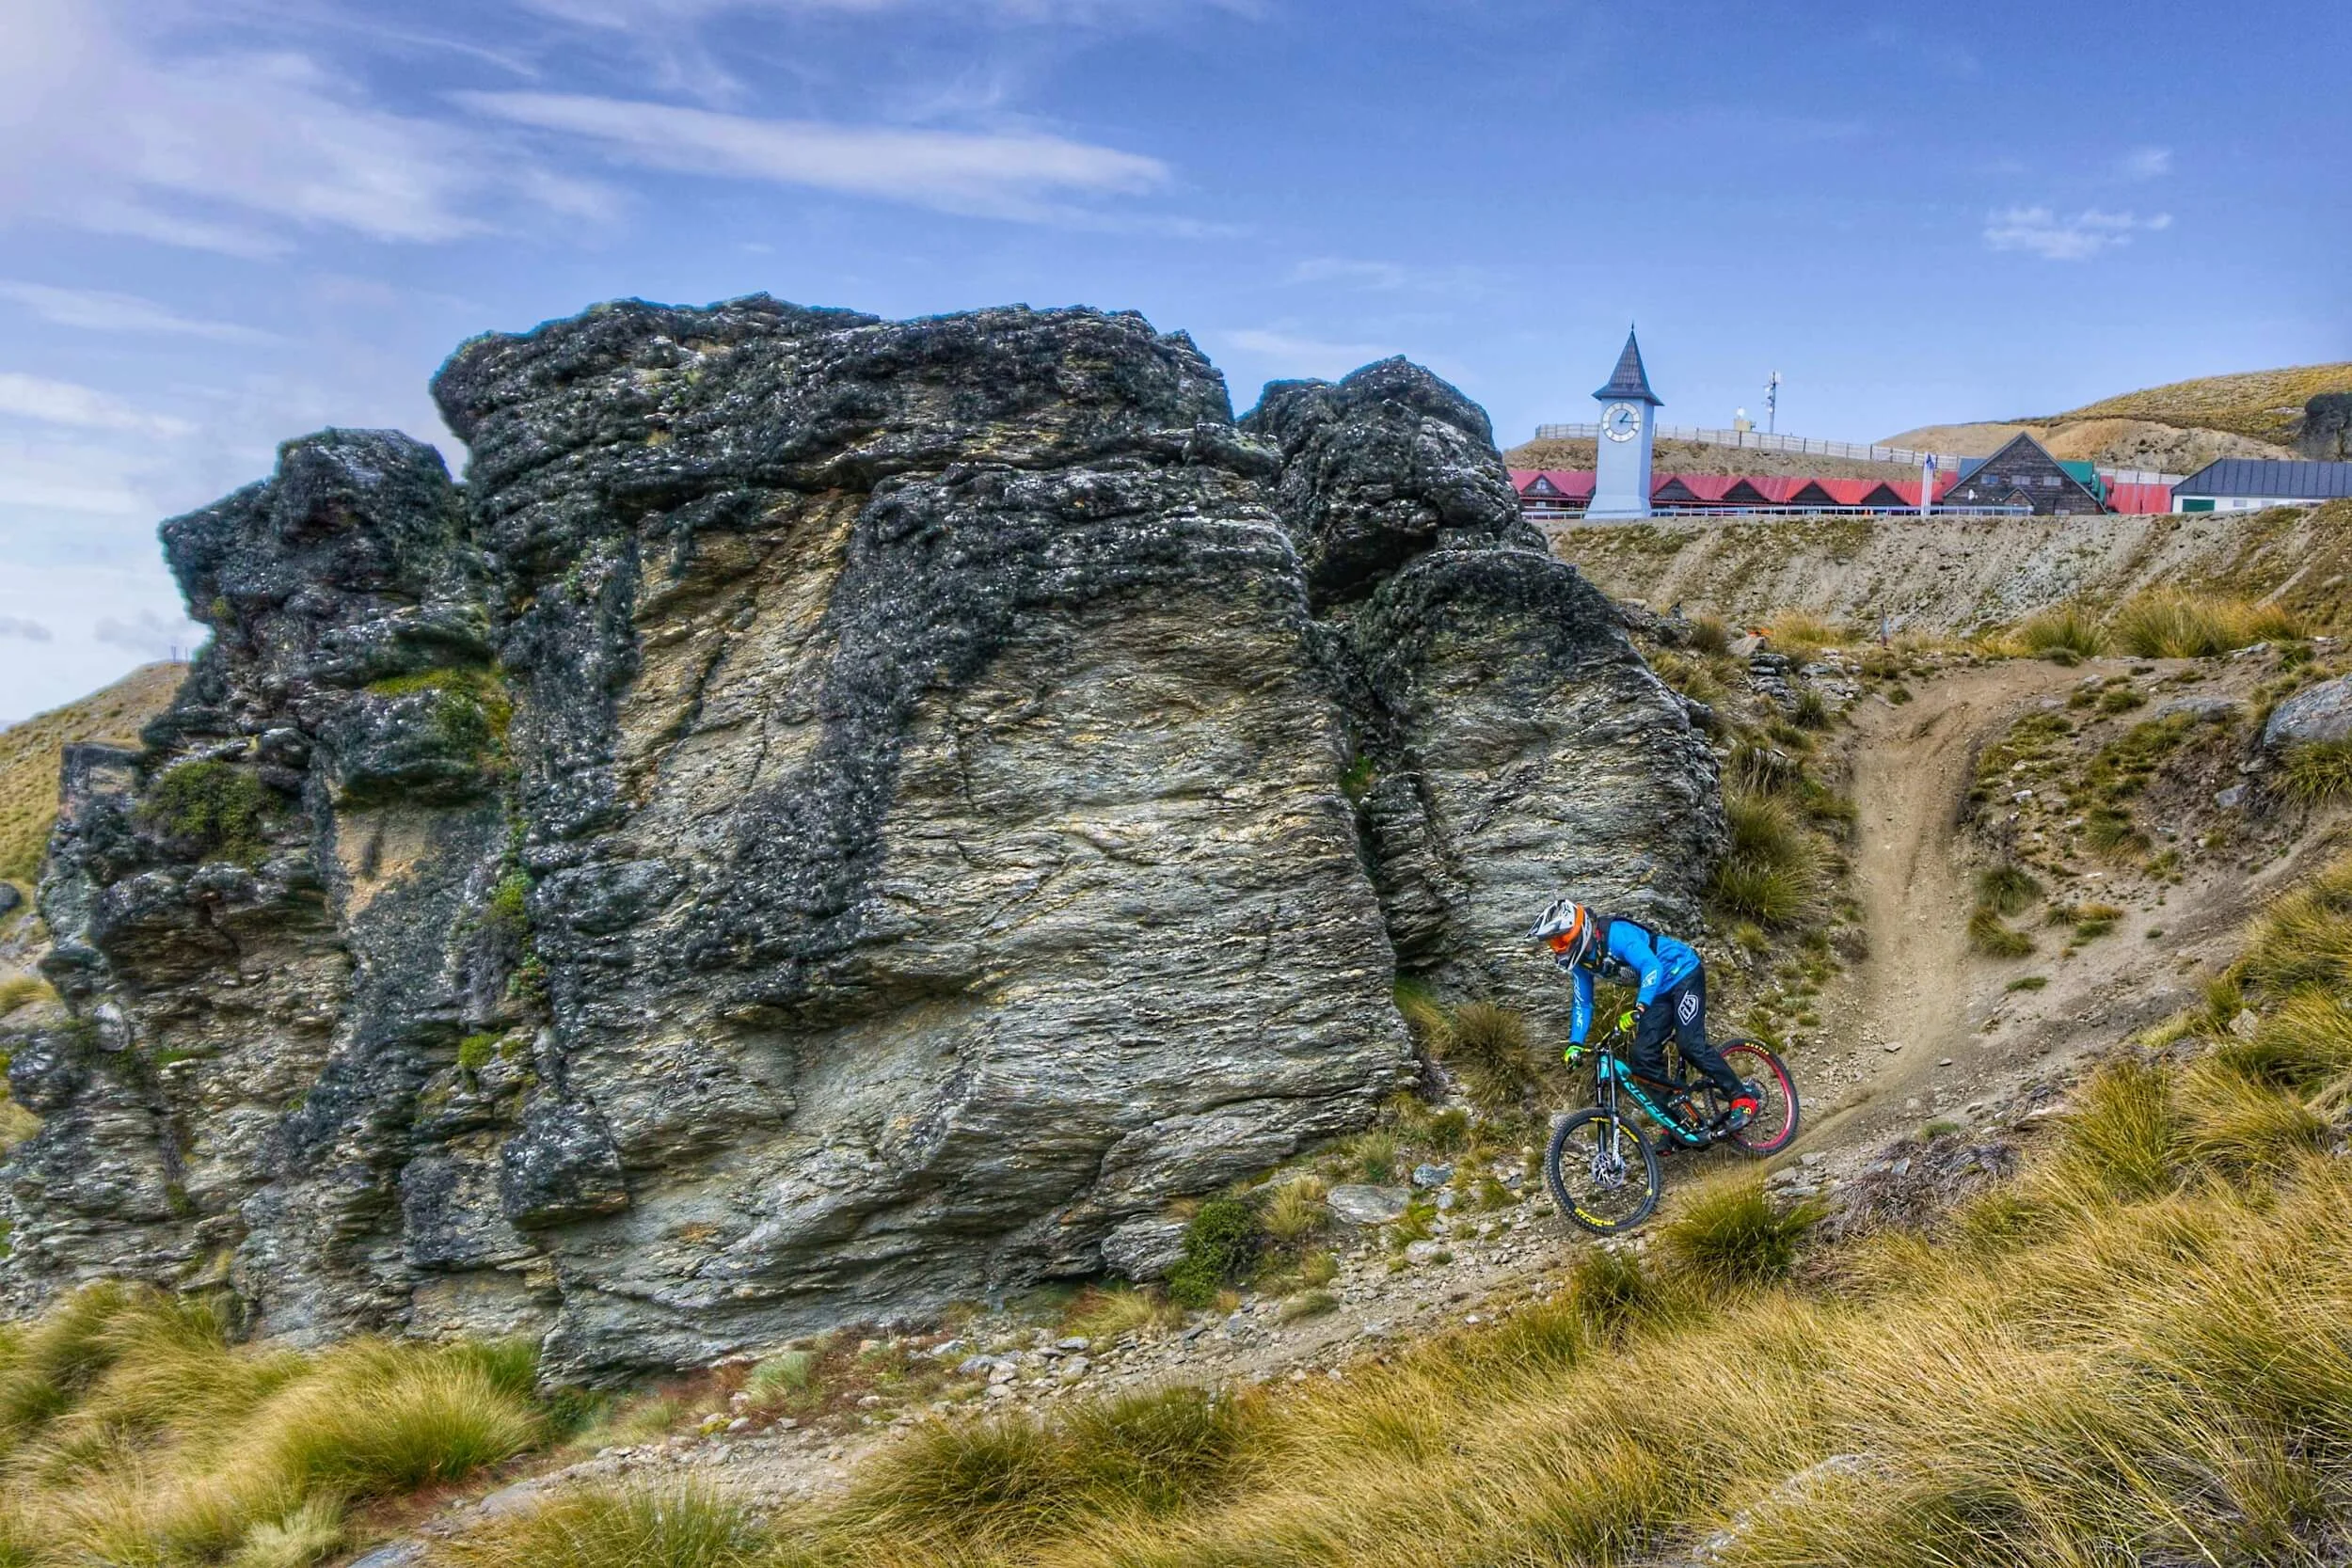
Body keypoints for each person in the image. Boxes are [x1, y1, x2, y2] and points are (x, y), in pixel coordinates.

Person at [1527, 898, 1757, 1134]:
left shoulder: (1617, 935)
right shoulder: (1581, 963)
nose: (1558, 948)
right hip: (1657, 992)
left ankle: (1742, 1098)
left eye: (1561, 940)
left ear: (1579, 929)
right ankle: (1678, 1126)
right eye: (1553, 944)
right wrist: (1575, 1043)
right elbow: (1583, 1003)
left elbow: (1651, 966)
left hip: (1683, 973)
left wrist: (1639, 1007)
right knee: (1642, 1057)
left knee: (1689, 1044)